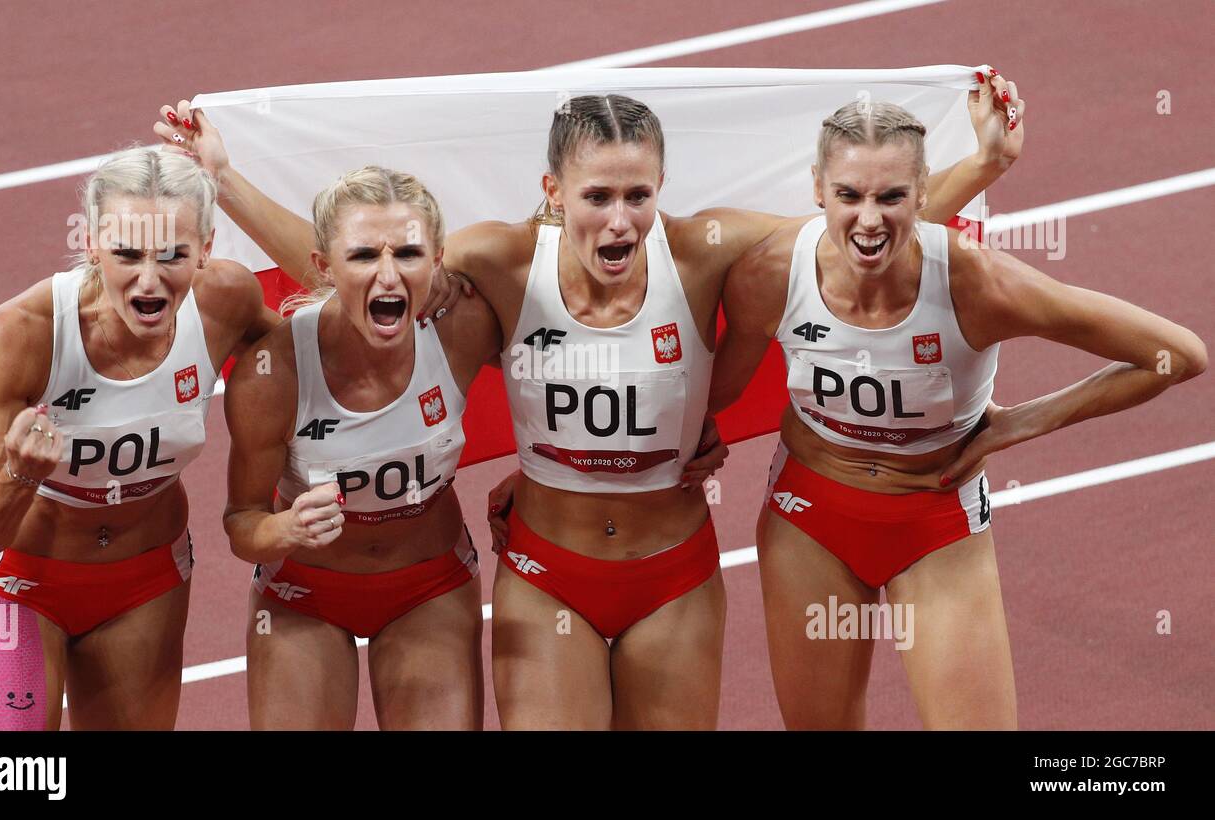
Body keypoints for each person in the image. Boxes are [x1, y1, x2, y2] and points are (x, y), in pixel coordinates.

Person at [155, 70, 1016, 728]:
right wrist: (225, 182)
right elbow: (358, 272)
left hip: (673, 575)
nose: (619, 221)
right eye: (597, 196)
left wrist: (982, 163)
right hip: (544, 574)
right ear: (553, 191)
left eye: (638, 196)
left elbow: (860, 234)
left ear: (661, 191)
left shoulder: (705, 250)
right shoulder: (499, 261)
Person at [708, 100, 1207, 729]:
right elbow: (715, 392)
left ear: (923, 193)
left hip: (936, 526)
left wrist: (1025, 422)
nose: (868, 218)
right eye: (848, 194)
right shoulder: (773, 272)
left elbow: (1177, 354)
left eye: (891, 195)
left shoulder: (978, 284)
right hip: (811, 521)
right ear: (817, 189)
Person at [0, 146, 277, 730]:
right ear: (92, 244)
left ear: (206, 248)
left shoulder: (227, 301)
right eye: (126, 253)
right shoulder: (23, 333)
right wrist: (22, 473)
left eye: (173, 255)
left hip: (145, 583)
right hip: (22, 581)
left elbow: (327, 341)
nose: (148, 280)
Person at [221, 166, 502, 729]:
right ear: (323, 266)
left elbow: (569, 358)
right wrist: (286, 529)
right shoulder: (273, 374)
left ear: (439, 259)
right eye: (364, 257)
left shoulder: (465, 327)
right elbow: (241, 523)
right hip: (303, 596)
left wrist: (544, 475)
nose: (389, 276)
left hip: (431, 587)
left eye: (408, 254)